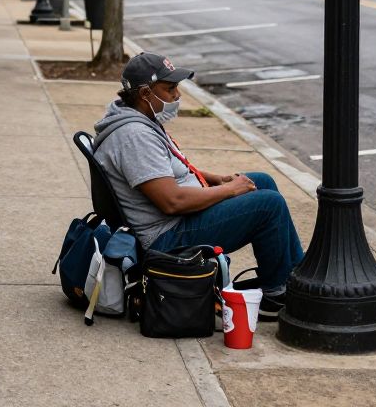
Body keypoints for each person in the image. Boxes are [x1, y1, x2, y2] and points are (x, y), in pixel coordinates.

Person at [92, 52, 304, 320]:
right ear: (145, 93)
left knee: (261, 181)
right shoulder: (134, 136)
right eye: (169, 89)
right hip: (167, 236)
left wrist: (214, 179)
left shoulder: (137, 116)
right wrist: (229, 190)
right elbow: (172, 202)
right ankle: (275, 294)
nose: (177, 95)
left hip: (177, 219)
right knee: (269, 205)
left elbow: (163, 168)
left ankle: (294, 274)